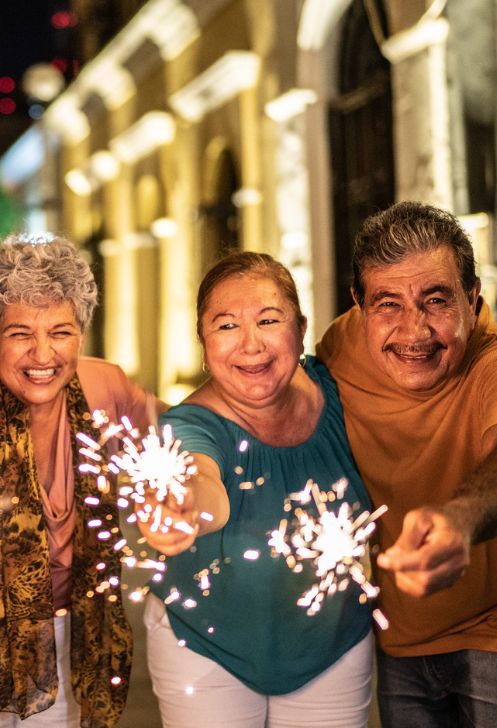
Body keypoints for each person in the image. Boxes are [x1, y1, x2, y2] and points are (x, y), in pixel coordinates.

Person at [0, 235, 228, 727]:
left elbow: (186, 440)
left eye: (61, 332)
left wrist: (182, 499)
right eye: (20, 333)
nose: (42, 353)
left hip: (61, 632)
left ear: (81, 335)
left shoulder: (104, 386)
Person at [318, 201, 497, 727]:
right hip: (403, 640)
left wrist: (460, 520)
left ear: (472, 296)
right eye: (387, 304)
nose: (414, 331)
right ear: (359, 305)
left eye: (435, 300)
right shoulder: (339, 349)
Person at [141, 252, 376, 726]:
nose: (251, 344)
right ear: (203, 342)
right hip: (205, 648)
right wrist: (186, 508)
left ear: (301, 329)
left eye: (269, 320)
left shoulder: (345, 393)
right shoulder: (188, 425)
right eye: (227, 326)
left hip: (333, 644)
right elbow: (201, 480)